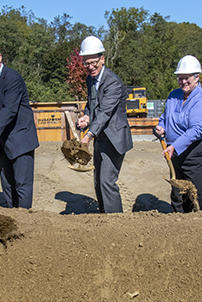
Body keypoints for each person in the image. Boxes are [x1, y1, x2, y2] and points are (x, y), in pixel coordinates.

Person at [76, 36, 133, 213]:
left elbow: (104, 113)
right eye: (86, 63)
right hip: (100, 137)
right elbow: (92, 105)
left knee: (107, 181)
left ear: (103, 59)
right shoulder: (90, 80)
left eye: (94, 62)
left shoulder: (113, 82)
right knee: (97, 181)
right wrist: (86, 116)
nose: (90, 67)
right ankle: (104, 217)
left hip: (114, 139)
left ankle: (115, 222)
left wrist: (88, 136)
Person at [155, 55, 202, 212]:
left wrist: (175, 147)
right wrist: (161, 127)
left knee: (199, 194)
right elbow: (165, 117)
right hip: (177, 151)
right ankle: (180, 222)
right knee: (178, 191)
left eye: (187, 78)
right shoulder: (173, 95)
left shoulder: (200, 100)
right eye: (180, 78)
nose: (183, 82)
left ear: (197, 77)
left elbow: (197, 129)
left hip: (199, 152)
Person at [0, 44, 39, 209]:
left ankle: (25, 223)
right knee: (7, 186)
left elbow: (9, 110)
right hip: (3, 141)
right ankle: (12, 217)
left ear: (0, 57)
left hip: (20, 139)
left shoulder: (12, 78)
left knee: (22, 186)